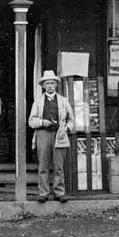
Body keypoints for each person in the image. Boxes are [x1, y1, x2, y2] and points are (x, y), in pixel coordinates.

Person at [28, 70, 74, 204]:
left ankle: (59, 193)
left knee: (58, 165)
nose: (49, 86)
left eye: (52, 83)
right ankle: (43, 193)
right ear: (43, 86)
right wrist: (42, 122)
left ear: (56, 85)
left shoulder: (64, 101)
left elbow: (72, 120)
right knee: (43, 165)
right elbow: (31, 121)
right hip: (43, 134)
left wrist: (66, 128)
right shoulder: (37, 102)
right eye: (47, 83)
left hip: (59, 134)